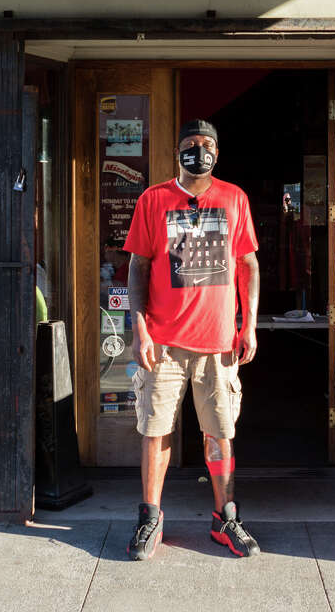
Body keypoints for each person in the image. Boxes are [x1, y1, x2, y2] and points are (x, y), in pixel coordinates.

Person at [122, 119, 261, 561]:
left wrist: (249, 324)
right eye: (189, 144)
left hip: (218, 343)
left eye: (205, 145)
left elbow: (249, 265)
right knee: (155, 430)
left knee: (219, 432)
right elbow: (137, 268)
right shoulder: (154, 199)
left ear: (216, 154)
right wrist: (140, 328)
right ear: (176, 151)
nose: (197, 151)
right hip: (162, 344)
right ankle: (150, 519)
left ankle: (226, 519)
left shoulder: (234, 198)